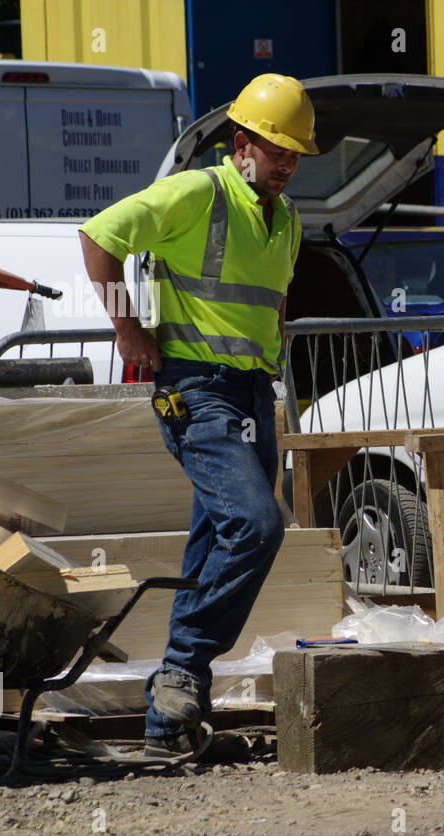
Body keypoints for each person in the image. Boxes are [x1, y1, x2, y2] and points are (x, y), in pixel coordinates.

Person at [78, 73, 317, 756]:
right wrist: (127, 328)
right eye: (276, 150)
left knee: (215, 542)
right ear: (241, 144)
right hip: (196, 392)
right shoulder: (198, 193)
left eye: (295, 154)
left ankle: (170, 724)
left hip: (252, 395)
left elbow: (271, 305)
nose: (286, 164)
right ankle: (182, 667)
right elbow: (99, 237)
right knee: (257, 525)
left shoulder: (288, 220)